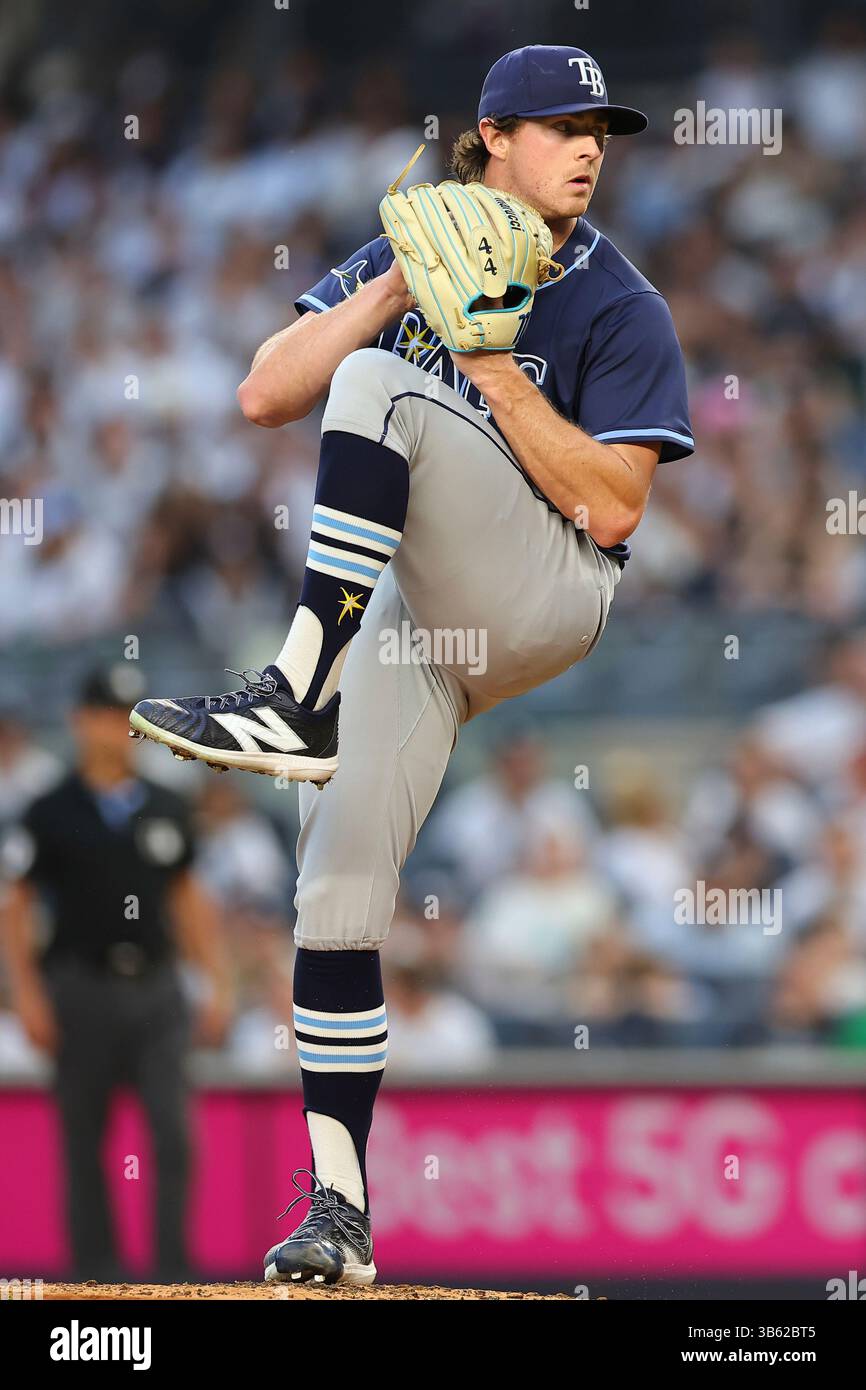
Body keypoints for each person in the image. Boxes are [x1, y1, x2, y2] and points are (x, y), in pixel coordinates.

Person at [128, 45, 693, 1285]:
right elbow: (265, 396)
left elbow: (614, 509)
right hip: (413, 618)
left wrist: (488, 368)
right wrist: (391, 286)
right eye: (560, 125)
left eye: (600, 127)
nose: (589, 146)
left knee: (383, 391)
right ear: (491, 135)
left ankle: (290, 691)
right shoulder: (409, 252)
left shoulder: (618, 301)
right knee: (330, 887)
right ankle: (338, 1212)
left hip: (544, 590)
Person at [0, 665, 232, 1281]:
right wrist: (26, 995)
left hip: (156, 987)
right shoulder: (49, 811)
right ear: (80, 721)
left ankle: (173, 1276)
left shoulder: (167, 806)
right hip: (80, 986)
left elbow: (188, 898)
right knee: (84, 1140)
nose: (119, 729)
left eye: (129, 717)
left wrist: (216, 980)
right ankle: (96, 1276)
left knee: (174, 1135)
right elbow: (15, 904)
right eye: (108, 714)